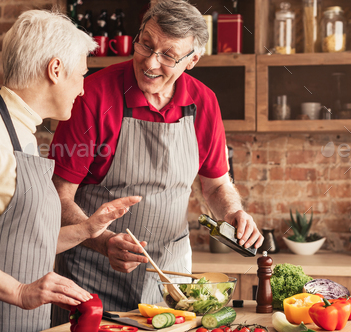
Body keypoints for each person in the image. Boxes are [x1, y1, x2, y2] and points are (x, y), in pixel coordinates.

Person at [0, 10, 140, 331]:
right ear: (55, 69)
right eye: (81, 75)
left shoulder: (22, 133)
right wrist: (19, 292)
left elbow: (20, 246)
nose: (82, 90)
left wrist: (87, 230)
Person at [49, 0, 263, 323]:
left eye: (168, 55)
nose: (150, 61)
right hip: (91, 281)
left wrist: (233, 213)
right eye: (146, 44)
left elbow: (217, 184)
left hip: (170, 286)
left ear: (192, 60)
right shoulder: (92, 96)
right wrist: (105, 243)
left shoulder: (204, 103)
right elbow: (59, 195)